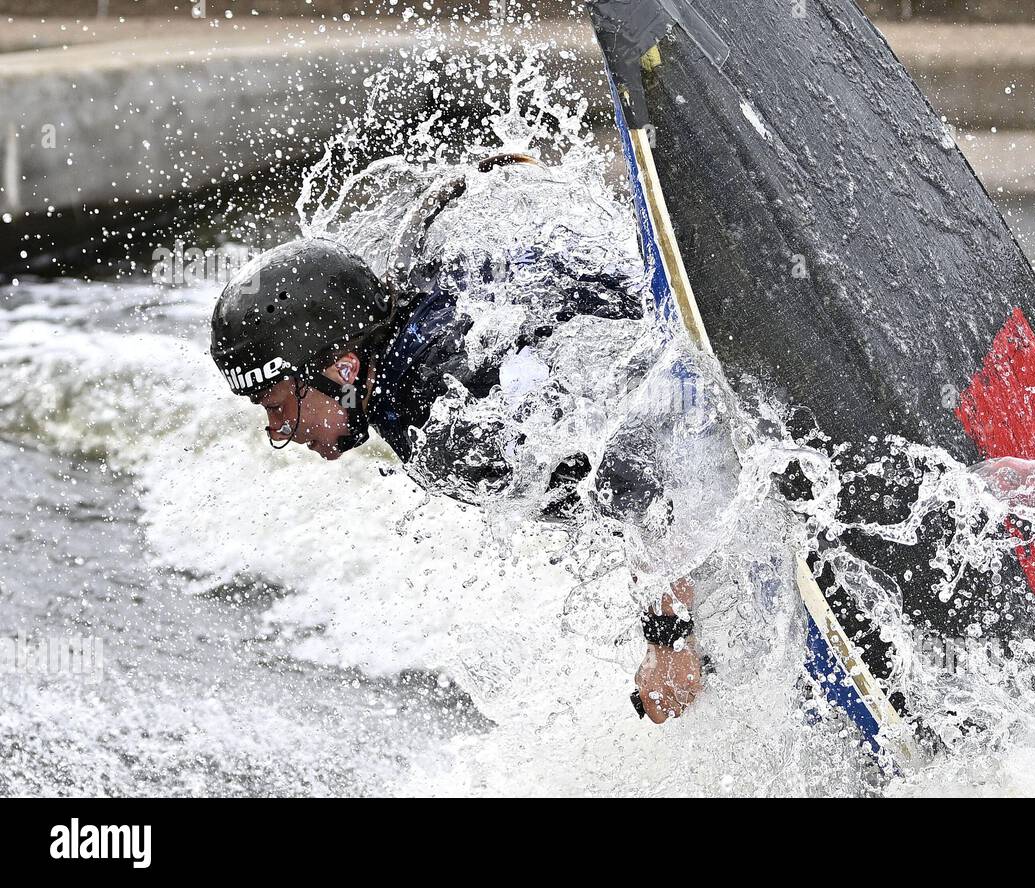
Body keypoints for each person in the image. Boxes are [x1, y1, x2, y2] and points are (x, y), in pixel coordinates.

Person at [210, 157, 704, 724]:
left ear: (345, 371)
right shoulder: (402, 302)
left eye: (279, 406)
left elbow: (647, 477)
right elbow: (438, 206)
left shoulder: (439, 419)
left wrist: (669, 642)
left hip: (690, 396)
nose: (278, 431)